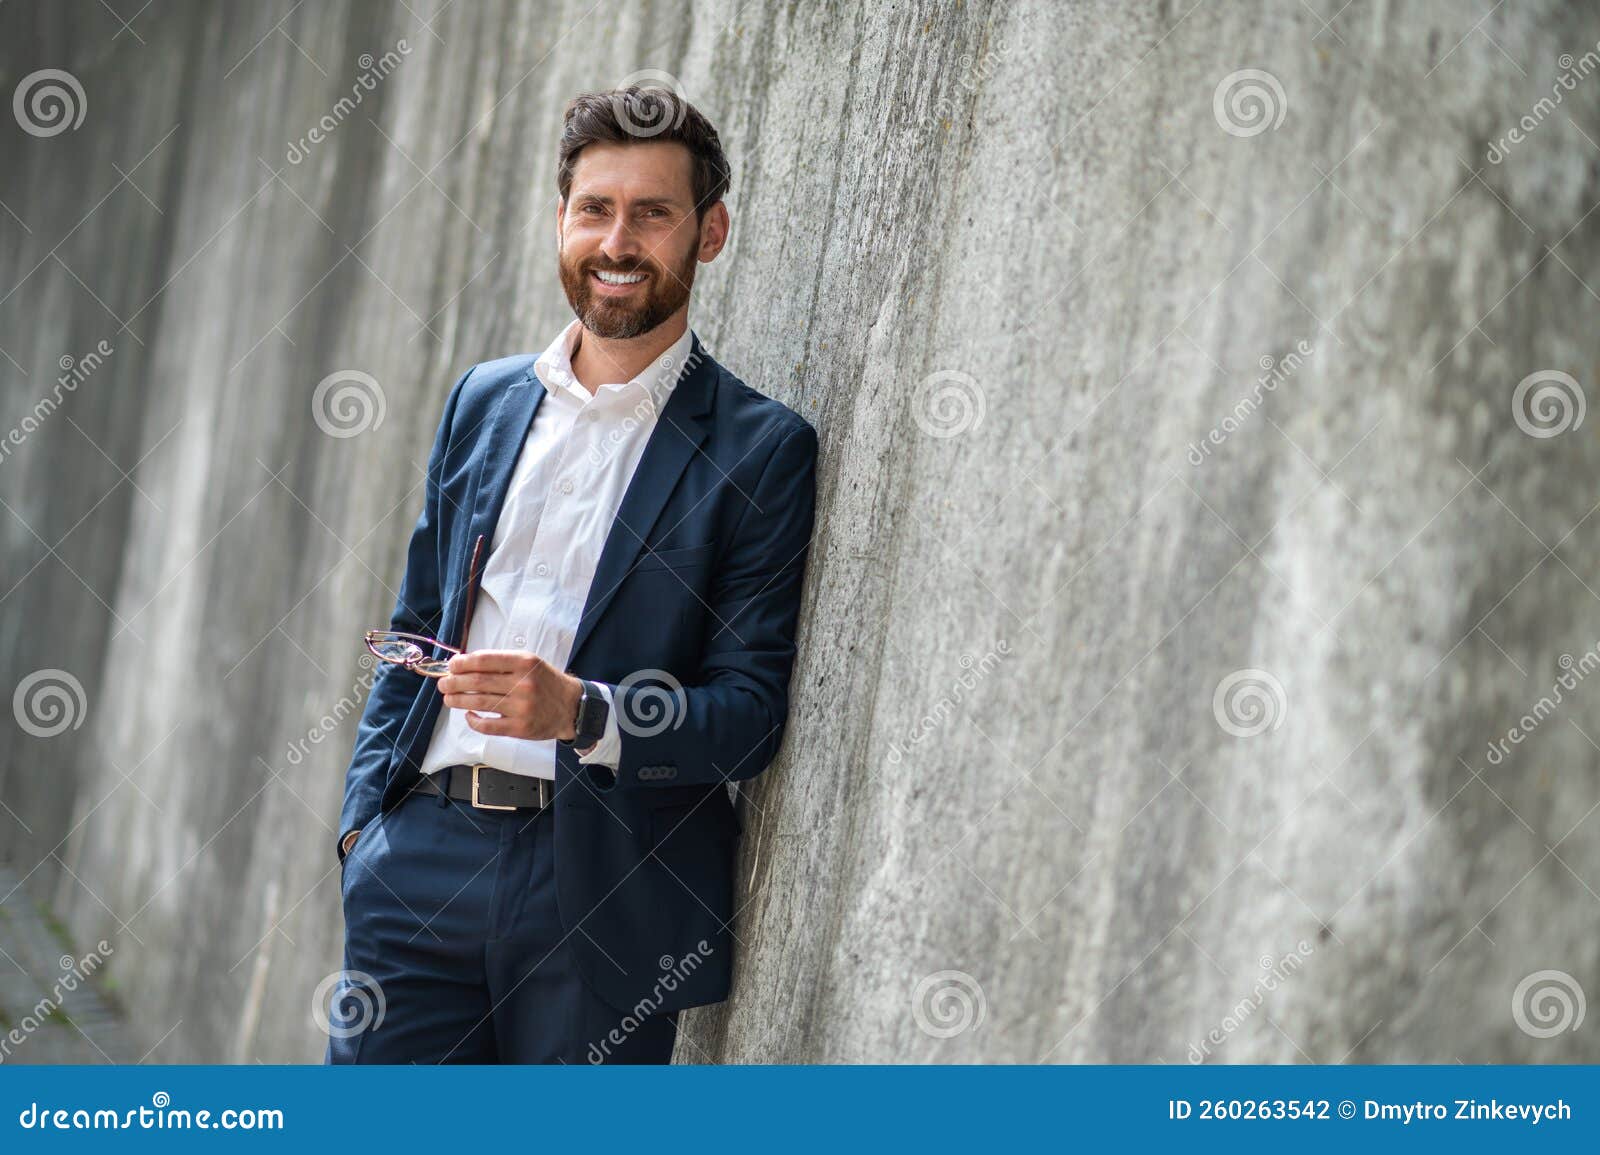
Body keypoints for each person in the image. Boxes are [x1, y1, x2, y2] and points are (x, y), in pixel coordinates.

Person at [329, 85, 819, 1064]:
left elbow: (748, 714)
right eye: (595, 209)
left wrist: (584, 714)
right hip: (420, 864)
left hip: (604, 892)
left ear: (708, 232)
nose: (617, 240)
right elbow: (420, 619)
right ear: (562, 221)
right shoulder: (485, 399)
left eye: (653, 212)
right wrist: (363, 833)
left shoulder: (761, 450)